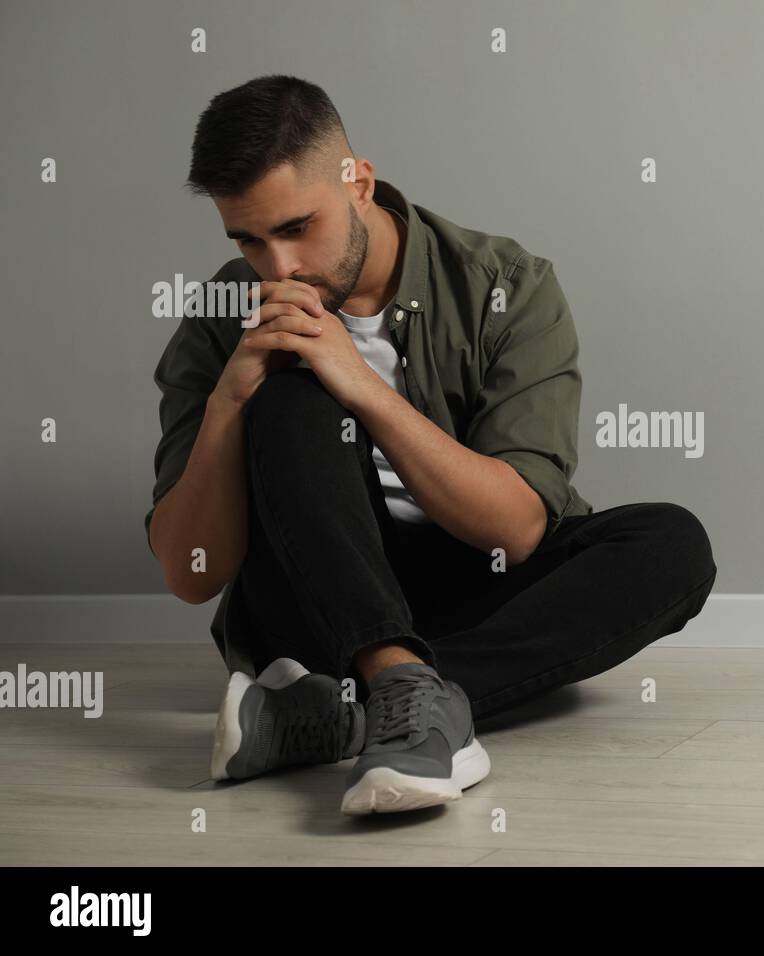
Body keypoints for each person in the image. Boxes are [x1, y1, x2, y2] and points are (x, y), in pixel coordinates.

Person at [145, 74, 717, 816]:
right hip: (313, 605)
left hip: (475, 584)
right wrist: (231, 395)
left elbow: (514, 529)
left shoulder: (505, 286)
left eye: (295, 227)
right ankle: (406, 695)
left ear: (360, 184)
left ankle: (346, 711)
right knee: (286, 390)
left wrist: (363, 387)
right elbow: (193, 573)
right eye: (249, 239)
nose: (277, 267)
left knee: (672, 543)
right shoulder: (225, 317)